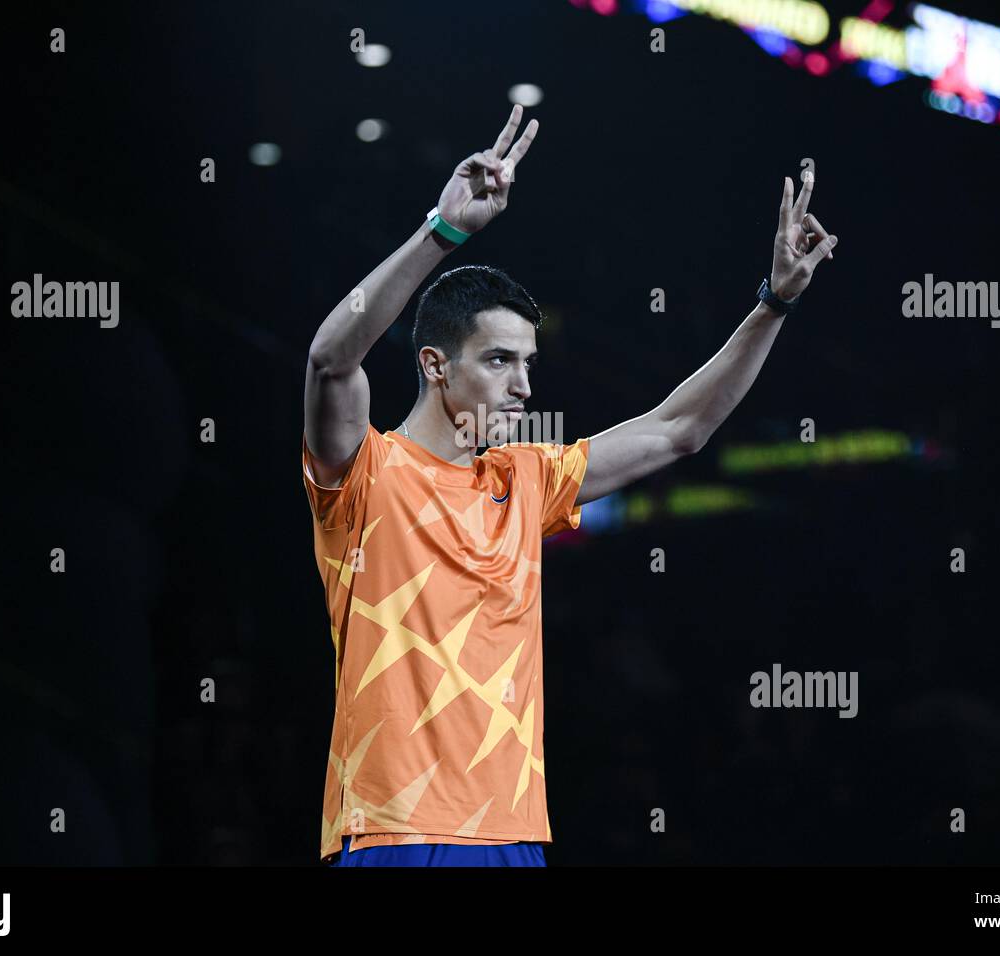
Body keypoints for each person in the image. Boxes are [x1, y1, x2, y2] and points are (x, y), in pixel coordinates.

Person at [304, 104, 838, 866]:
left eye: (529, 364)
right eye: (498, 361)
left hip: (517, 837)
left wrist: (774, 304)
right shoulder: (364, 472)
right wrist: (443, 233)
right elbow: (331, 360)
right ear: (434, 365)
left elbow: (678, 429)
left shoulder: (529, 477)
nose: (523, 387)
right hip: (397, 832)